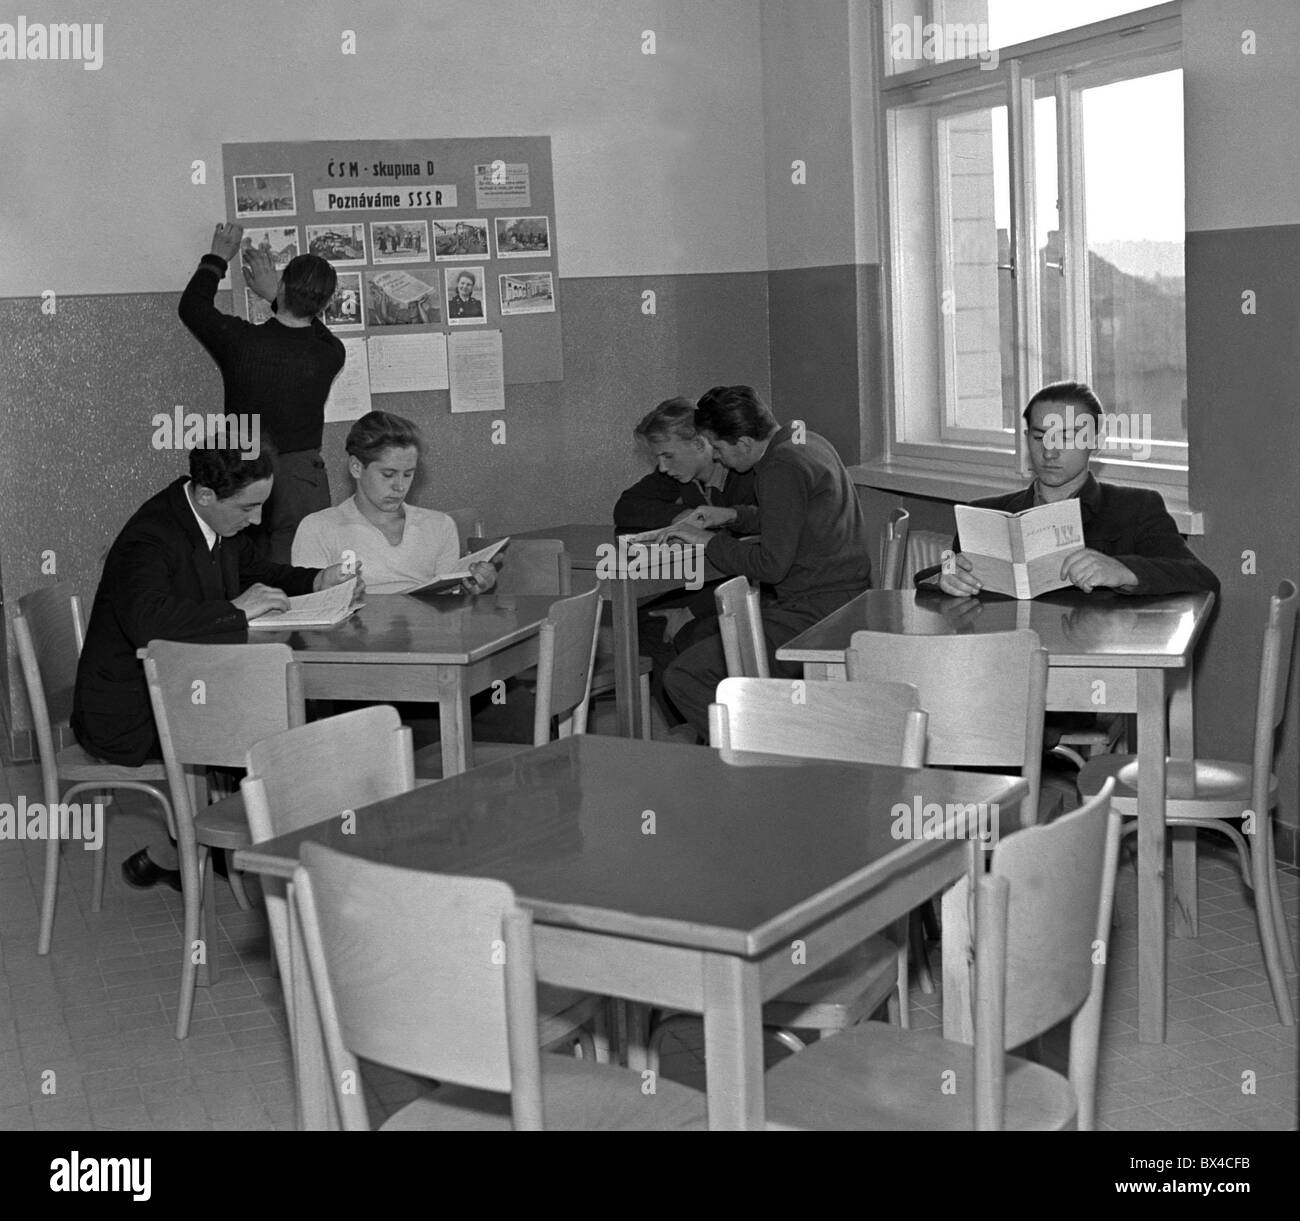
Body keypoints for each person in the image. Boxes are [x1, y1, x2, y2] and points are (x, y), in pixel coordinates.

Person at [71, 444, 360, 889]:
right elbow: (146, 621)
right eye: (249, 507)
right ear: (205, 494)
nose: (259, 519)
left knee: (283, 718)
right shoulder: (150, 537)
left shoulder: (208, 518)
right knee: (280, 729)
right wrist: (237, 610)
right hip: (128, 712)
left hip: (179, 690)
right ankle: (267, 858)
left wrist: (315, 580)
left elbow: (255, 571)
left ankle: (198, 847)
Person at [662, 386, 873, 739]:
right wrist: (731, 515)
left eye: (718, 448)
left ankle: (756, 751)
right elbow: (790, 516)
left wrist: (710, 542)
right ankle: (762, 736)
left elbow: (770, 565)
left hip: (816, 613)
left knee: (684, 675)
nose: (717, 458)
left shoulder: (779, 467)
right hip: (849, 599)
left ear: (744, 443)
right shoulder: (805, 439)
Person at [920, 381, 1219, 598]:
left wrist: (1123, 571)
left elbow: (1201, 578)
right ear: (1026, 439)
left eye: (1066, 437)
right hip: (1007, 661)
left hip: (1098, 664)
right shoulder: (986, 512)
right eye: (1039, 437)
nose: (1049, 452)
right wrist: (945, 573)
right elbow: (935, 572)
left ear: (1095, 442)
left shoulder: (1137, 508)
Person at [179, 221, 345, 563]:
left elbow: (192, 307)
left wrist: (217, 257)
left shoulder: (242, 344)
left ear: (284, 286)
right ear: (325, 305)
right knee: (302, 569)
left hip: (245, 467)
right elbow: (316, 329)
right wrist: (278, 297)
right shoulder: (330, 353)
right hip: (302, 478)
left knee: (243, 566)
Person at [612, 398, 757, 716]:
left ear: (702, 444)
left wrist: (690, 611)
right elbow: (626, 507)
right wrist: (684, 514)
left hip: (745, 594)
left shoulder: (744, 478)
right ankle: (686, 725)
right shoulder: (679, 476)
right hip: (703, 584)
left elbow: (752, 565)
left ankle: (723, 724)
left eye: (668, 455)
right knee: (643, 621)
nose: (662, 466)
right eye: (658, 458)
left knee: (687, 634)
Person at [292, 411, 497, 595]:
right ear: (356, 467)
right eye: (388, 474)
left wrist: (471, 587)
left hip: (426, 634)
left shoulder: (439, 526)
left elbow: (451, 608)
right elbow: (309, 608)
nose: (400, 487)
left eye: (408, 474)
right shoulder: (318, 528)